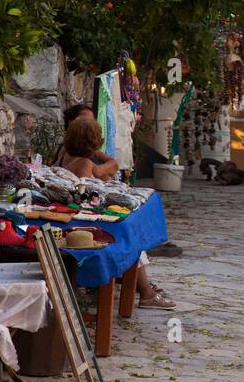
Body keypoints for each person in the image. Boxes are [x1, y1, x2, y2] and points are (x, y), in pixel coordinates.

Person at [57, 118, 176, 311]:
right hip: (85, 220)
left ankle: (147, 292)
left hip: (75, 214)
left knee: (131, 239)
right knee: (131, 240)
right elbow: (85, 195)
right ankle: (146, 293)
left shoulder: (65, 156)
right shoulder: (85, 164)